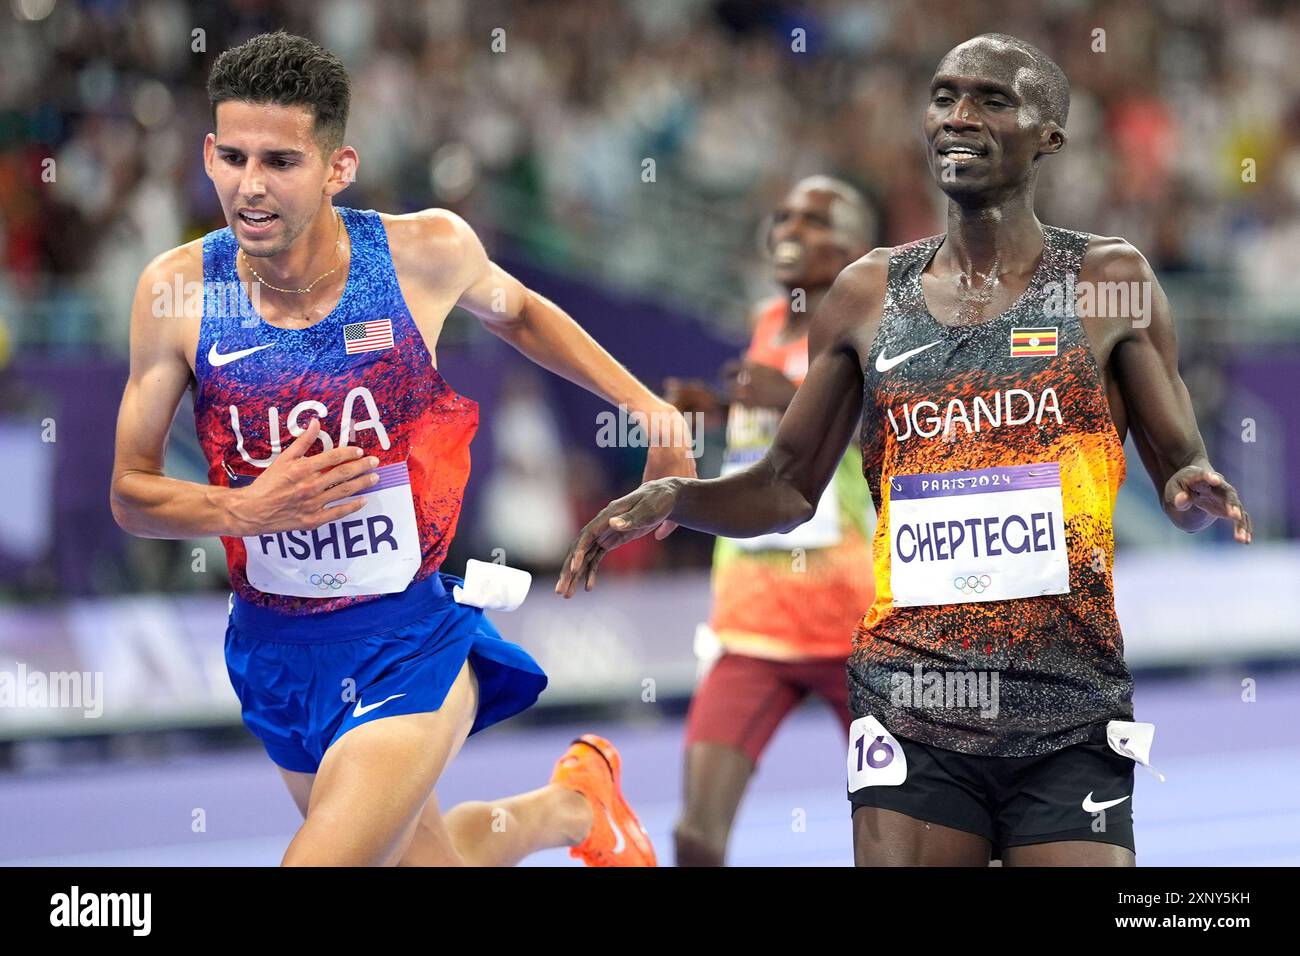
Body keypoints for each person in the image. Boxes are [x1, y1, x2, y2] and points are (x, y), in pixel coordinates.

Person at [556, 33, 1252, 867]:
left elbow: (1180, 469)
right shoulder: (863, 295)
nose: (960, 116)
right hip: (911, 699)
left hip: (1069, 704)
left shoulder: (1108, 281)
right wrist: (677, 499)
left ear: (1051, 136)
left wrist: (1189, 488)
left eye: (993, 99)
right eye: (945, 96)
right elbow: (785, 486)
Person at [109, 31, 695, 867]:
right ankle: (575, 808)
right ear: (208, 153)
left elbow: (520, 312)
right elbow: (130, 494)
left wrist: (651, 412)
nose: (251, 187)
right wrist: (245, 508)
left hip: (406, 637)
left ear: (337, 167)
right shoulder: (175, 292)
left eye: (281, 161)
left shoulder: (422, 253)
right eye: (233, 158)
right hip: (273, 648)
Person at [664, 177, 875, 866]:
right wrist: (719, 413)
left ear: (856, 244)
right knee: (696, 836)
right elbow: (773, 459)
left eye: (815, 220)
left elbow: (906, 427)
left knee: (906, 842)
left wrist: (793, 397)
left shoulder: (874, 329)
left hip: (861, 631)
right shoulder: (764, 320)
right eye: (784, 215)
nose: (790, 227)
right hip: (752, 624)